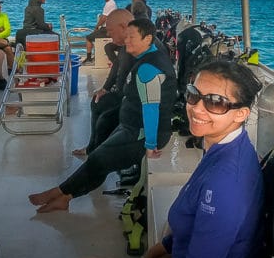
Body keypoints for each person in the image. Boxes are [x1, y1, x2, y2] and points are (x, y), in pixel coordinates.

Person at [74, 60, 264, 258]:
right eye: (193, 95)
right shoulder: (231, 148)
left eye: (216, 102)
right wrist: (166, 247)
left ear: (241, 113)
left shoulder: (224, 184)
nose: (197, 107)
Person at [28, 18, 175, 213]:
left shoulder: (149, 68)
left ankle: (58, 193)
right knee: (99, 158)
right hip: (132, 125)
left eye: (132, 37)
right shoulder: (146, 56)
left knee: (99, 159)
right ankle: (64, 197)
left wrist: (149, 145)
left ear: (148, 39)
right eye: (126, 36)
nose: (126, 40)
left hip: (143, 133)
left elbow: (151, 108)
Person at [71, 8, 133, 157]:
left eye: (110, 31)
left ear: (124, 27)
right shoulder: (126, 44)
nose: (108, 35)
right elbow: (117, 65)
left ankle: (96, 150)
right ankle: (94, 147)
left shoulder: (138, 46)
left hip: (133, 100)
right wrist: (105, 88)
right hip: (123, 93)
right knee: (98, 100)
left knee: (103, 111)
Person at [83, 0, 118, 64]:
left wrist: (97, 26)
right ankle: (94, 56)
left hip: (107, 30)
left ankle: (89, 58)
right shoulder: (110, 3)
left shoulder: (110, 4)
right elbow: (104, 16)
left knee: (88, 38)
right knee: (93, 35)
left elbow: (104, 18)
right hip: (108, 28)